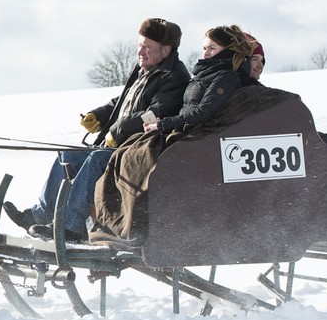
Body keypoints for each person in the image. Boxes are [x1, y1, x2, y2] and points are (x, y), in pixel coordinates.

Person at [3, 18, 189, 243]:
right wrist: (100, 115)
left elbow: (155, 113)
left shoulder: (175, 77)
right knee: (68, 155)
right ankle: (39, 215)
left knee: (96, 159)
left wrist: (117, 131)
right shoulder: (146, 70)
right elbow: (123, 101)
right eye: (139, 45)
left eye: (147, 47)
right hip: (122, 145)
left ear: (166, 50)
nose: (140, 52)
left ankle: (70, 227)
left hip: (138, 151)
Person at [94, 24, 257, 242]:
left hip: (195, 137)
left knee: (137, 158)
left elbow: (202, 113)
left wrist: (162, 124)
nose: (206, 53)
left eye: (212, 48)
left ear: (229, 50)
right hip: (181, 133)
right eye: (204, 48)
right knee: (126, 155)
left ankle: (136, 227)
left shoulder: (226, 77)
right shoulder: (205, 74)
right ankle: (119, 222)